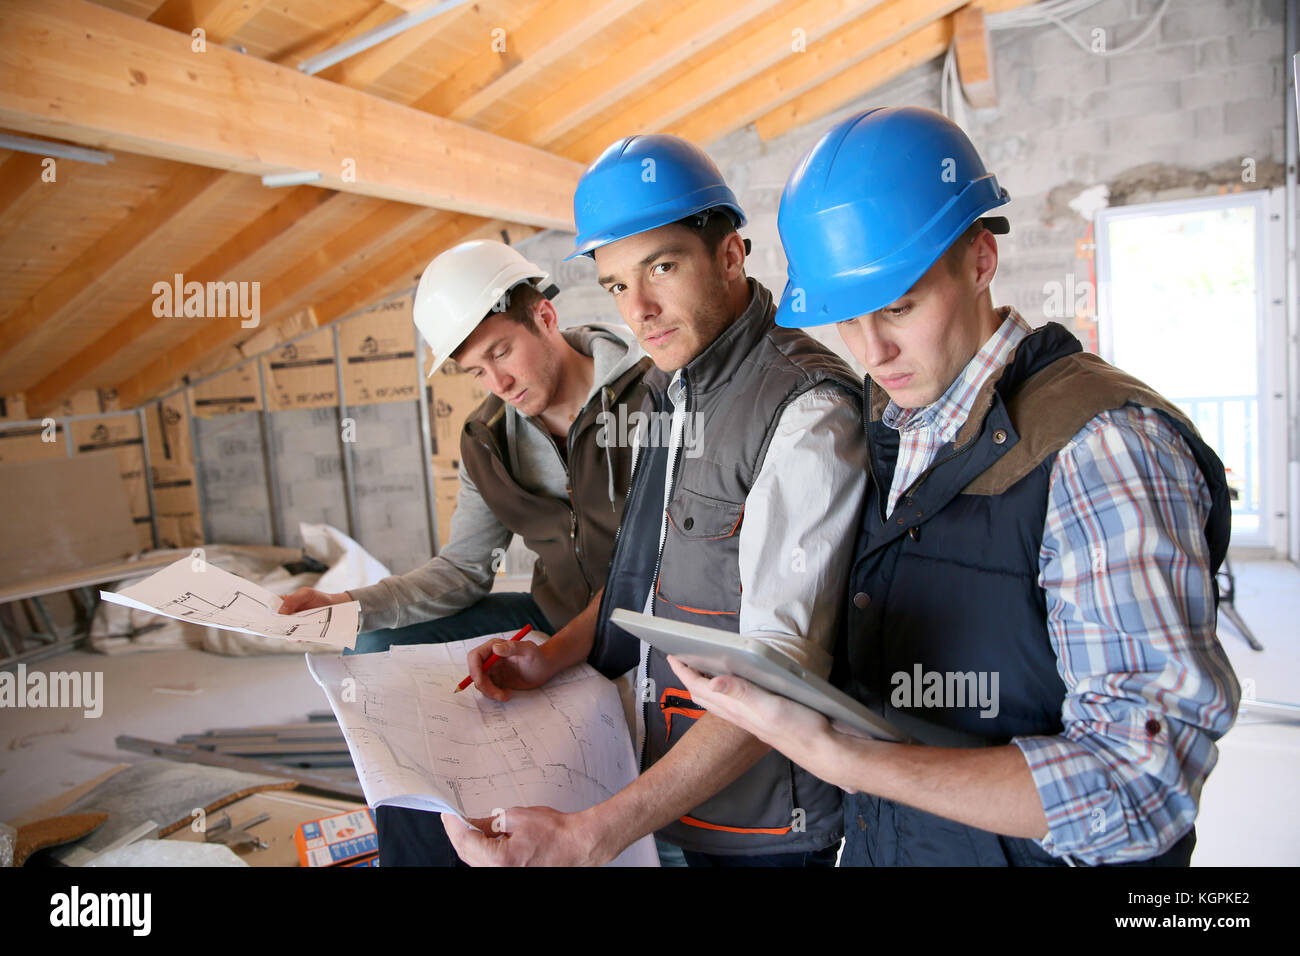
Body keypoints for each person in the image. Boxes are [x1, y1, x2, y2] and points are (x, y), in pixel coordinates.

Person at [669, 106, 1240, 867]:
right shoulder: (884, 423)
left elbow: (1142, 788)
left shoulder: (1104, 447)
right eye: (846, 318)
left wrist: (847, 760)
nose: (873, 350)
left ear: (978, 260)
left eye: (899, 306)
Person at [442, 134, 868, 867]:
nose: (638, 308)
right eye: (614, 285)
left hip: (763, 824)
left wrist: (593, 833)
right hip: (673, 792)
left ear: (731, 255)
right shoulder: (676, 390)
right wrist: (553, 655)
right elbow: (645, 576)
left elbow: (778, 682)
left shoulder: (803, 412)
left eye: (661, 267)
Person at [279, 238, 651, 864]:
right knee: (376, 650)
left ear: (545, 316)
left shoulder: (654, 401)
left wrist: (553, 657)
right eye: (476, 370)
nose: (497, 383)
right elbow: (461, 571)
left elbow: (658, 568)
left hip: (644, 622)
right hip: (554, 614)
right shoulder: (487, 441)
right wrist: (344, 603)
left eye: (502, 352)